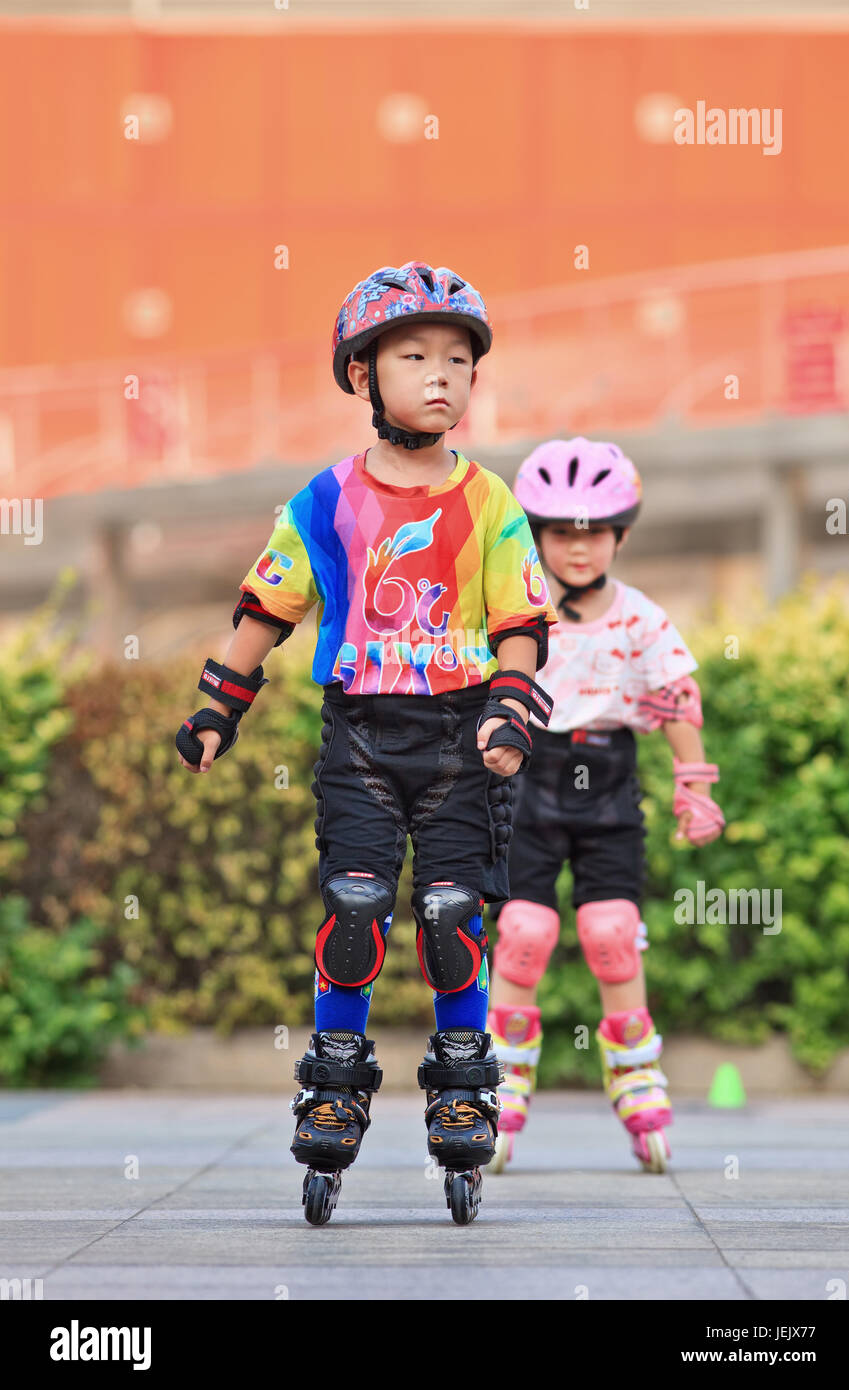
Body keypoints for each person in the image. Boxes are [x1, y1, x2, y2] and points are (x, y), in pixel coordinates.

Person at [176, 261, 557, 1223]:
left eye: (459, 360)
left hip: (463, 735)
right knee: (354, 908)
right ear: (362, 376)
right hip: (360, 737)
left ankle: (467, 1081)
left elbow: (520, 619)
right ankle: (336, 1078)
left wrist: (511, 707)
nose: (442, 375)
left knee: (448, 912)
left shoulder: (492, 502)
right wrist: (219, 706)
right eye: (416, 356)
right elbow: (267, 606)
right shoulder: (326, 500)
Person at [486, 437, 725, 1174]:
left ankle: (634, 1074)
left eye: (593, 531)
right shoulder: (518, 613)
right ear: (537, 535)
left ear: (620, 534)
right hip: (529, 773)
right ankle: (494, 1084)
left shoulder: (641, 618)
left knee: (612, 931)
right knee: (523, 931)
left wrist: (695, 784)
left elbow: (679, 697)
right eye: (561, 531)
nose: (578, 547)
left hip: (610, 779)